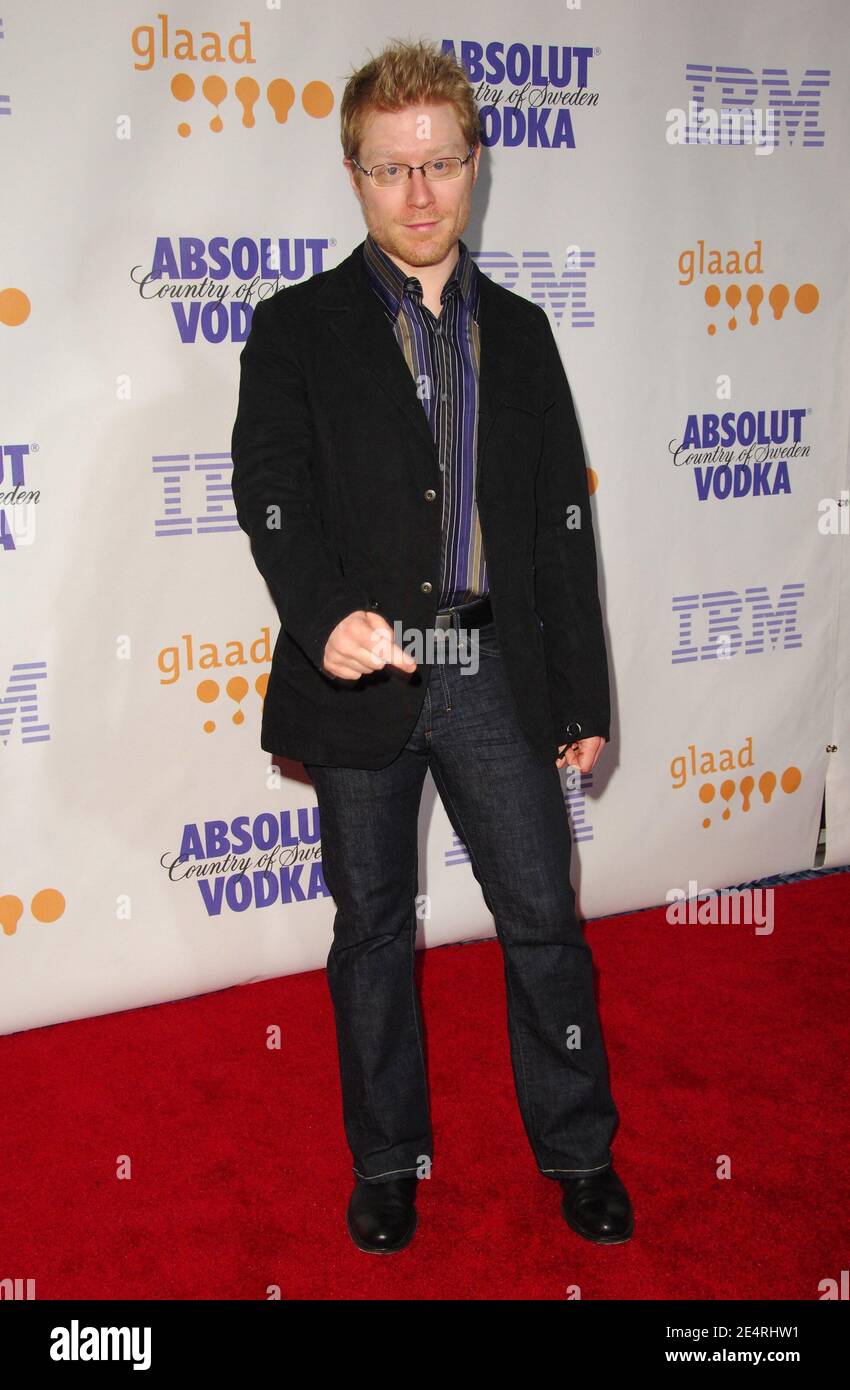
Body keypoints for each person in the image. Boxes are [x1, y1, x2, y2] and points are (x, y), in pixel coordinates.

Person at [230, 37, 633, 1254]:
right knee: (371, 933)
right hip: (360, 680)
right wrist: (320, 620)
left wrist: (581, 697)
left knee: (544, 922)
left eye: (440, 165)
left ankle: (578, 1153)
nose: (418, 195)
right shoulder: (293, 329)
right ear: (353, 172)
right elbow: (271, 492)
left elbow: (560, 529)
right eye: (390, 169)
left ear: (474, 164)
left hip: (491, 674)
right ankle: (387, 1160)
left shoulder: (521, 335)